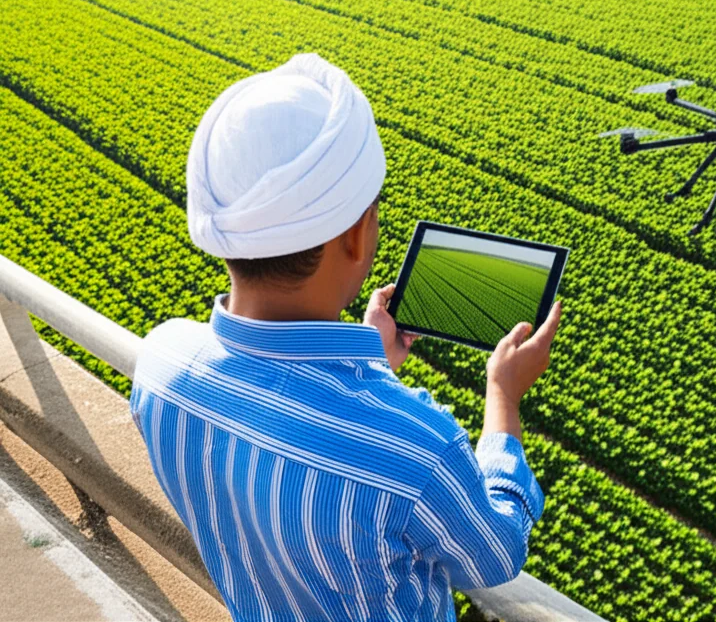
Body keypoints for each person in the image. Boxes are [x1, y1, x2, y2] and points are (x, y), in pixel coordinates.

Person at [129, 53, 561, 622]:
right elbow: (496, 552)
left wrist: (370, 363)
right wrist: (503, 397)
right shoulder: (417, 449)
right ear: (358, 237)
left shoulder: (161, 361)